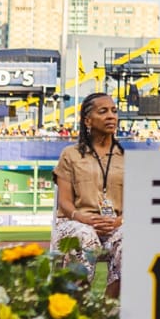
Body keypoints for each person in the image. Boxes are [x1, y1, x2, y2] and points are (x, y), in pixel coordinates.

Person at [53, 92, 131, 295]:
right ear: (88, 120)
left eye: (114, 111)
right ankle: (77, 308)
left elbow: (135, 203)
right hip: (75, 222)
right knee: (84, 236)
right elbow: (65, 202)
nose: (111, 116)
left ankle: (109, 309)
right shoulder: (70, 154)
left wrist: (120, 221)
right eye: (103, 111)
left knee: (130, 238)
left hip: (114, 225)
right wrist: (83, 218)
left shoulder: (126, 158)